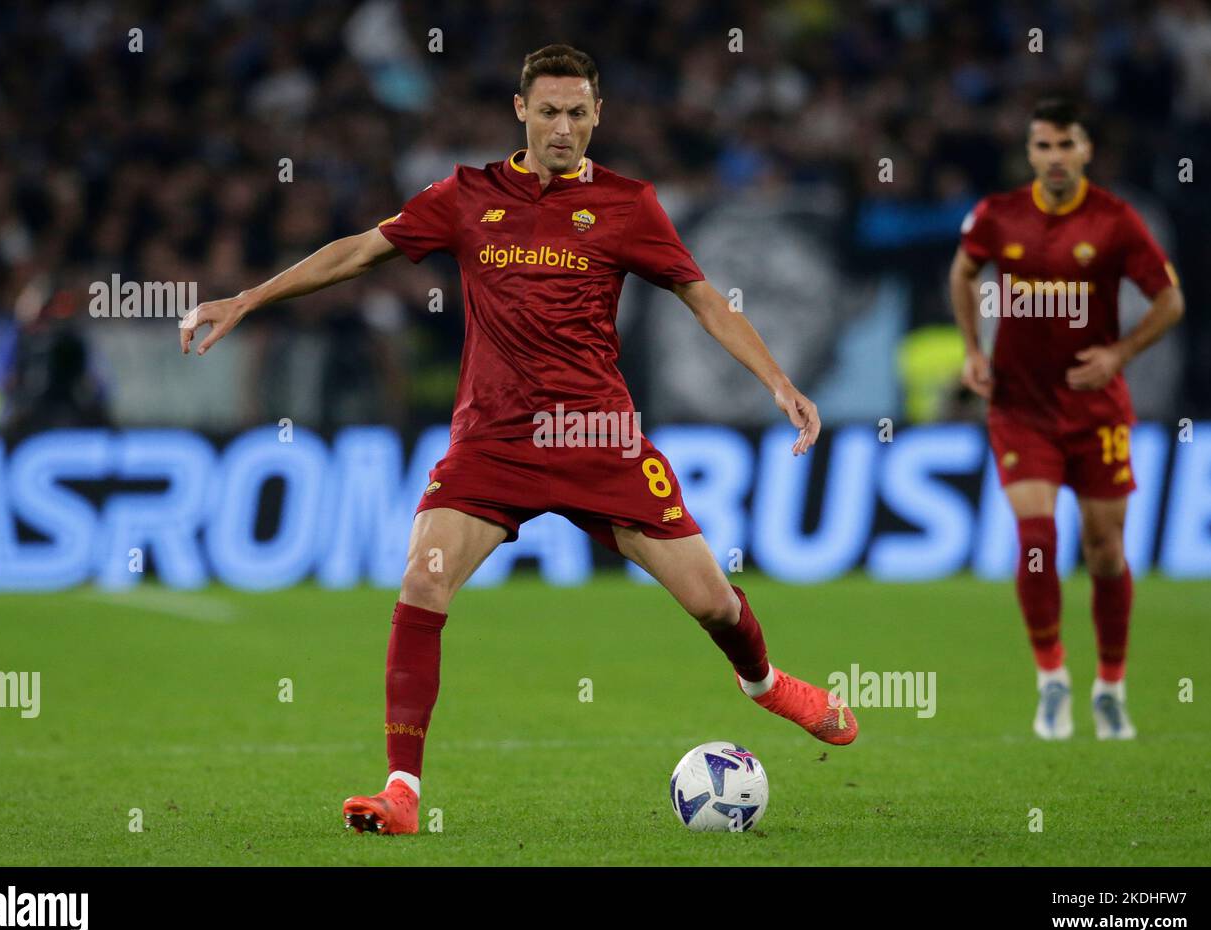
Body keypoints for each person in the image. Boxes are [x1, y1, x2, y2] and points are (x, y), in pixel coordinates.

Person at [180, 44, 857, 835]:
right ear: (520, 112)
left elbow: (704, 299)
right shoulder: (466, 196)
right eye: (549, 112)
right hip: (493, 441)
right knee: (423, 582)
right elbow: (360, 250)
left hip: (598, 437)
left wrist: (778, 383)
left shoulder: (629, 205)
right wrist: (250, 298)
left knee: (712, 602)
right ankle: (402, 791)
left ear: (597, 115)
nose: (563, 127)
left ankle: (765, 683)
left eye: (577, 112)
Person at [949, 98, 1184, 742]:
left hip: (1095, 411)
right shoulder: (998, 216)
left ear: (1086, 150)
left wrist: (1121, 352)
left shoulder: (1114, 221)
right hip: (1021, 408)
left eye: (1066, 145)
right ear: (1030, 153)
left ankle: (1111, 685)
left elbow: (1170, 298)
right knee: (1035, 541)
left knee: (1105, 552)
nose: (1055, 157)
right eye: (1043, 146)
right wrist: (973, 347)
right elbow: (964, 271)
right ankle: (1052, 679)